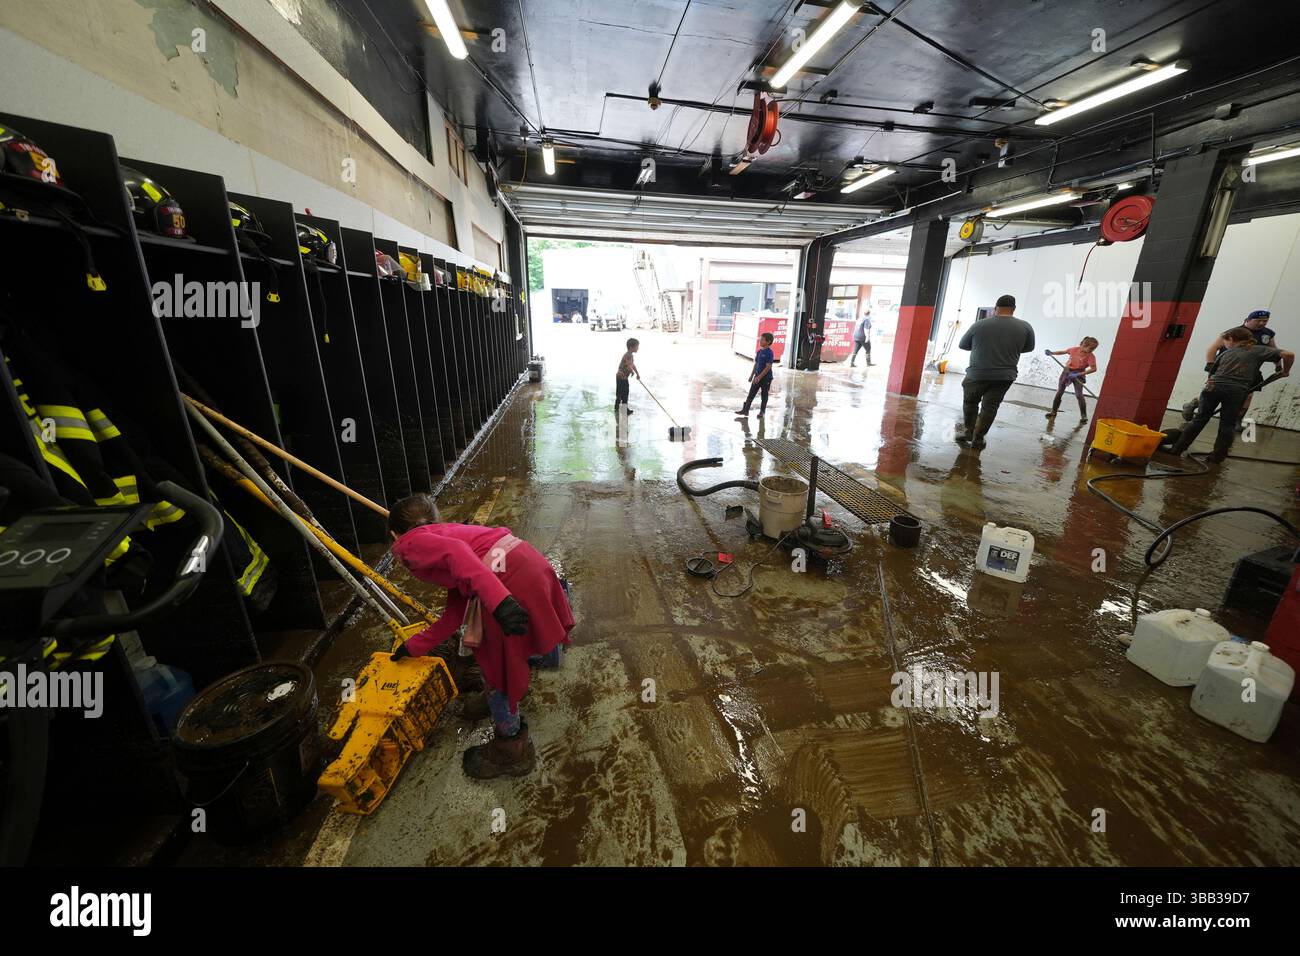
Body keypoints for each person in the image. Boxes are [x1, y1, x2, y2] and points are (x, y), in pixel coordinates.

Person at [387, 494, 575, 778]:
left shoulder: (411, 544)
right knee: (521, 635)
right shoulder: (445, 533)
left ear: (394, 534)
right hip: (526, 563)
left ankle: (511, 747)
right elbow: (455, 610)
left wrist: (500, 602)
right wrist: (413, 647)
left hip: (506, 580)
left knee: (495, 667)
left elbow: (456, 554)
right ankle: (543, 659)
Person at [1169, 327, 1292, 463]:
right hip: (1236, 391)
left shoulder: (1224, 354)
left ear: (1232, 340)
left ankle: (1177, 449)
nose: (1224, 344)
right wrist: (1285, 371)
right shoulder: (1258, 350)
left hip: (1213, 388)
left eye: (1225, 341)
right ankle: (1216, 457)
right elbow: (1288, 354)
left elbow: (1212, 375)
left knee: (1199, 419)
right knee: (1227, 424)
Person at [956, 294, 1035, 449]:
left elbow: (963, 345)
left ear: (995, 308)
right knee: (990, 406)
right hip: (1005, 376)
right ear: (1014, 309)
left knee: (970, 402)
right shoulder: (1025, 326)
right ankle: (979, 438)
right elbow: (1028, 347)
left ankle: (969, 432)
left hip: (977, 373)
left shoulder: (979, 325)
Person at [1184, 310, 1280, 426]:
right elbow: (1213, 348)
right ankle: (1194, 404)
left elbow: (1274, 351)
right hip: (1226, 368)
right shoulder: (1234, 332)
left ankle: (1237, 420)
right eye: (1258, 320)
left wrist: (1278, 366)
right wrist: (1210, 364)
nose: (1261, 323)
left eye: (1264, 321)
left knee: (1248, 395)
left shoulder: (1268, 334)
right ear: (1248, 320)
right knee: (1213, 390)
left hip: (1250, 370)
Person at [1044, 336, 1099, 422]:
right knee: (1059, 392)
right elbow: (1063, 352)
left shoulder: (1090, 356)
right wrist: (1052, 353)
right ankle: (1053, 411)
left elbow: (1094, 369)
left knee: (1079, 395)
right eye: (1091, 348)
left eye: (1094, 349)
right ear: (1084, 345)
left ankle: (1084, 416)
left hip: (1079, 374)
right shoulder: (1073, 350)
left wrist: (1078, 374)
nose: (1092, 350)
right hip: (1067, 372)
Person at [736, 331, 776, 418]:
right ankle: (745, 410)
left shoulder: (769, 353)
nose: (760, 341)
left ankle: (762, 412)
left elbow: (768, 367)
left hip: (766, 378)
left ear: (768, 342)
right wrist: (752, 375)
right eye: (760, 339)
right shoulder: (759, 352)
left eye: (762, 340)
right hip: (757, 376)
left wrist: (759, 377)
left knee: (764, 395)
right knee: (751, 393)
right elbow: (756, 364)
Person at [616, 337, 640, 416]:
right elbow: (628, 365)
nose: (638, 348)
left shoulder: (631, 356)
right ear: (631, 347)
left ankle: (620, 408)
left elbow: (632, 365)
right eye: (637, 346)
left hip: (624, 378)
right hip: (621, 378)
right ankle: (622, 409)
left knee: (623, 393)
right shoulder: (627, 355)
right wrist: (632, 371)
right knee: (623, 393)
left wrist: (637, 373)